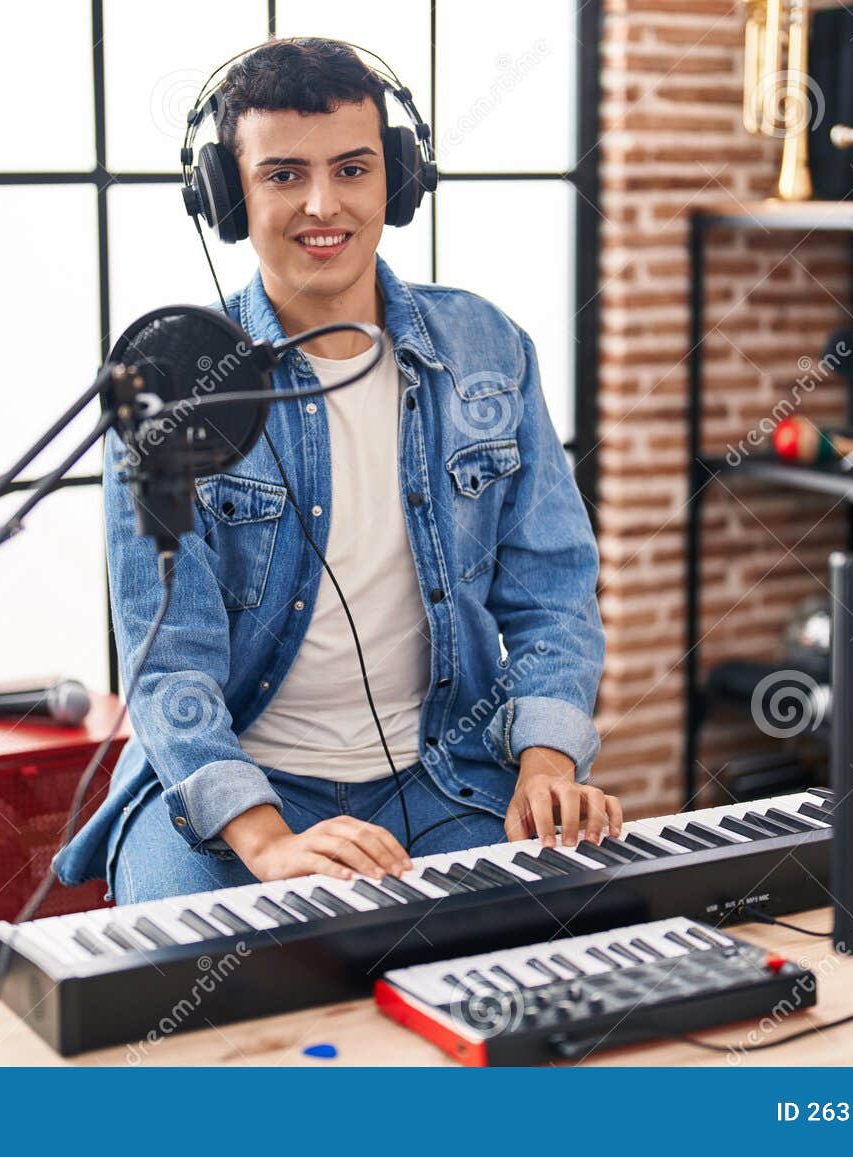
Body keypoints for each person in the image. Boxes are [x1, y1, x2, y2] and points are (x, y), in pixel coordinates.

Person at [53, 37, 613, 904]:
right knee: (200, 980)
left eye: (352, 168)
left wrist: (544, 762)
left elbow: (555, 593)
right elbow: (169, 664)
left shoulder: (488, 350)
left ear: (396, 177)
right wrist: (269, 841)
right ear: (227, 196)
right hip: (236, 793)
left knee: (559, 935)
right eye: (283, 175)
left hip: (443, 777)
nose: (324, 204)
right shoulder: (172, 379)